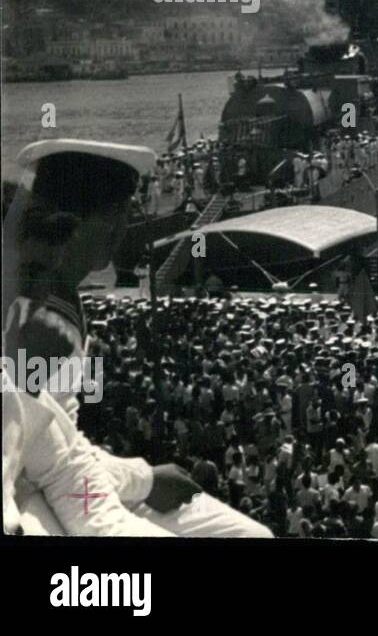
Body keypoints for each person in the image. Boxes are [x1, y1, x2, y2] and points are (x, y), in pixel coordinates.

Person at [2, 139, 271, 537]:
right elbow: (39, 462)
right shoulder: (37, 320)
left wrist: (140, 477)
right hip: (31, 505)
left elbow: (59, 446)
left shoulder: (57, 302)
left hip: (70, 482)